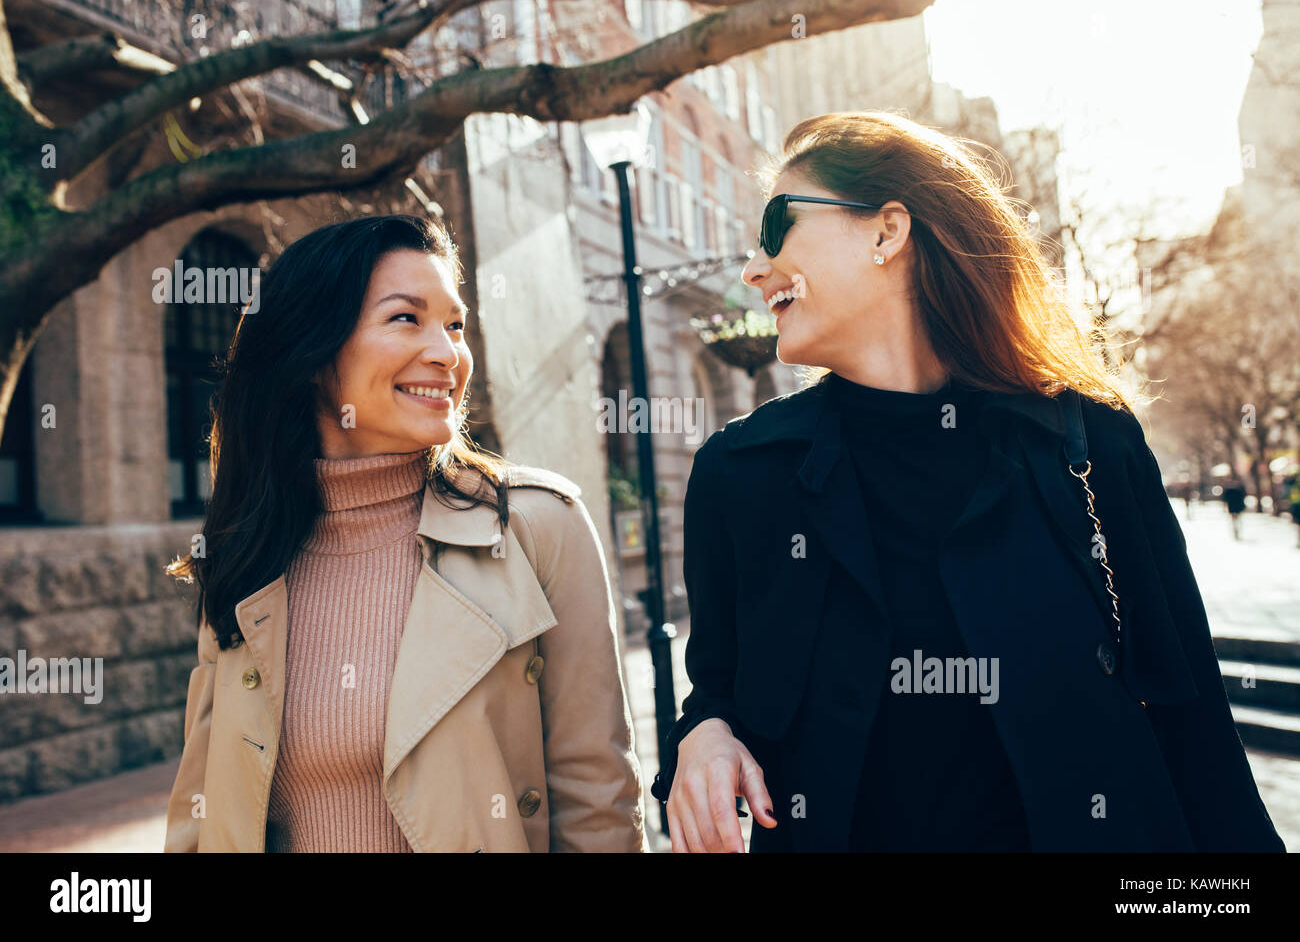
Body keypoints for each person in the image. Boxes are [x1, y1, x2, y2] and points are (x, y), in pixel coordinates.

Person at [650, 111, 1285, 853]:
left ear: (888, 232)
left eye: (776, 228)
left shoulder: (1090, 447)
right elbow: (716, 689)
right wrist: (702, 737)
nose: (754, 270)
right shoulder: (740, 474)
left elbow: (1194, 723)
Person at [163, 215, 644, 852]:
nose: (448, 354)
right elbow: (202, 813)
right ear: (312, 352)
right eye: (405, 319)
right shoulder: (248, 549)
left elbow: (596, 801)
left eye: (454, 324)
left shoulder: (536, 526)